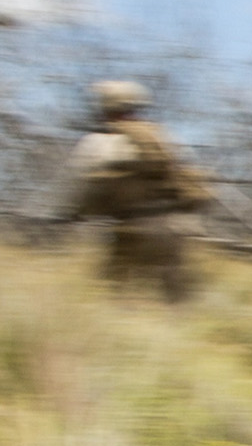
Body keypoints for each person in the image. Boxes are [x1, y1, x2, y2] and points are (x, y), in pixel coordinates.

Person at [67, 78, 211, 301]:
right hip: (179, 227)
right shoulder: (164, 137)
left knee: (113, 294)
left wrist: (75, 213)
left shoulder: (99, 142)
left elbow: (83, 188)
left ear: (104, 107)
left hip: (135, 228)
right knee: (176, 301)